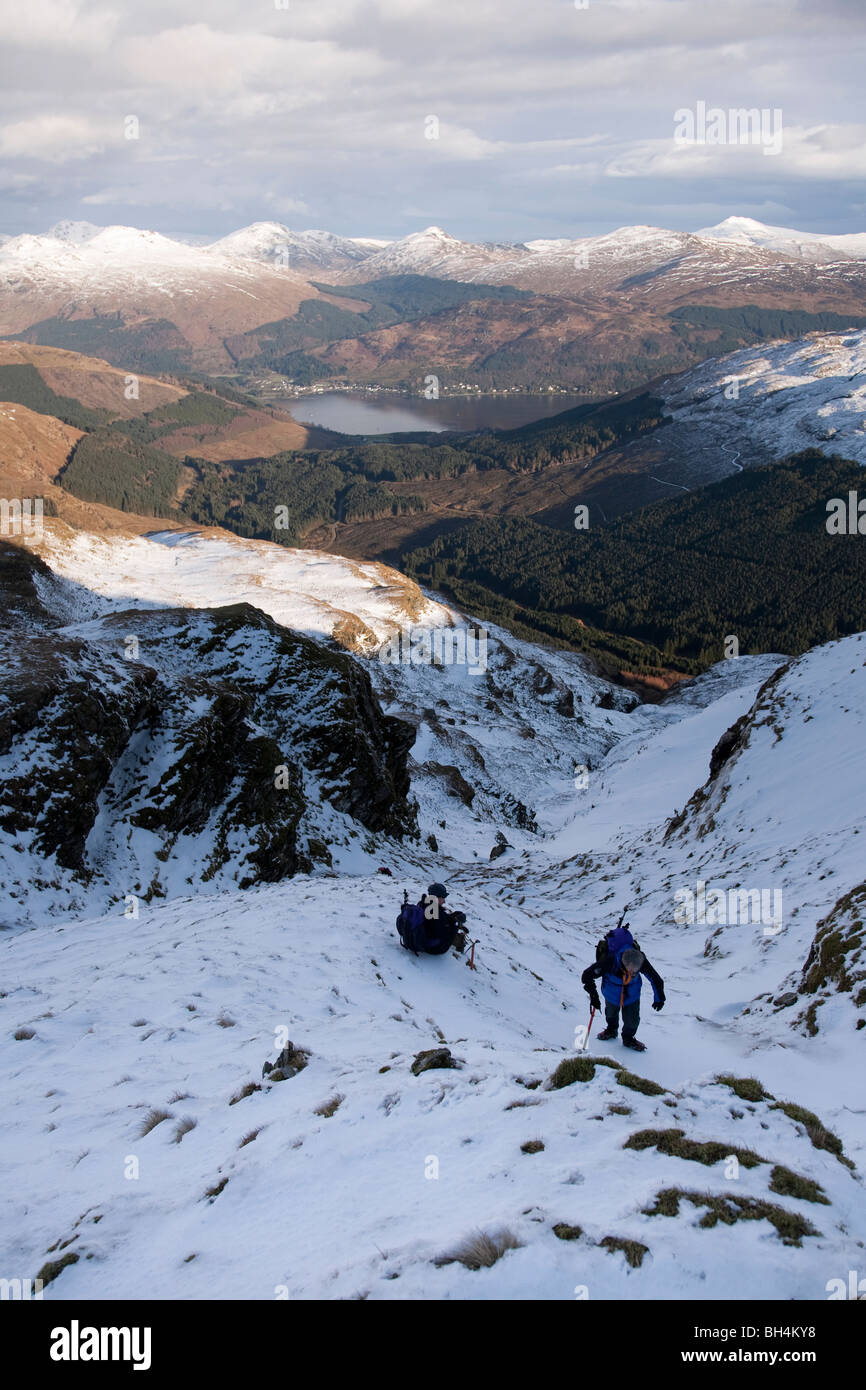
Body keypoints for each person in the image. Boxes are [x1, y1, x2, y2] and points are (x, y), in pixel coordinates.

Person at [581, 923, 664, 1052]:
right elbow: (587, 975)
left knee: (632, 1020)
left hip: (632, 995)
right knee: (611, 1014)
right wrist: (594, 996)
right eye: (630, 969)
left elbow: (655, 979)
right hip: (611, 994)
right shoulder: (610, 961)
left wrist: (659, 998)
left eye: (635, 969)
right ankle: (611, 1030)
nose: (632, 971)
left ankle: (628, 1038)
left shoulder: (640, 959)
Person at [421, 882, 467, 954]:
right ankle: (460, 955)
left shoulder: (425, 904)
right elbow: (444, 933)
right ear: (437, 897)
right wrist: (457, 926)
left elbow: (441, 920)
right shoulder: (435, 911)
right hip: (434, 949)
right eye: (443, 898)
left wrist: (453, 916)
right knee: (458, 938)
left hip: (425, 940)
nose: (444, 901)